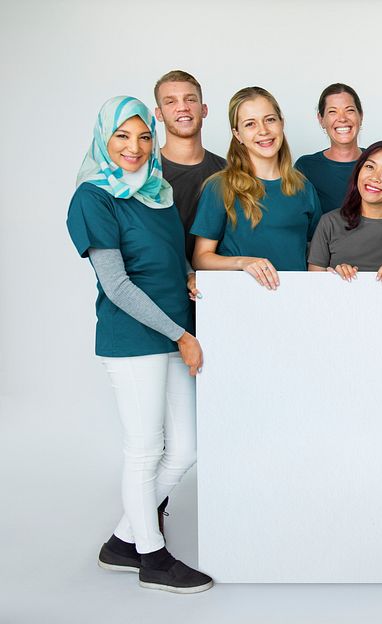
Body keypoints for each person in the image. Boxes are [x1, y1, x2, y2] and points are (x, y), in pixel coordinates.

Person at [66, 96, 213, 593]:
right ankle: (151, 556)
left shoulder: (158, 191)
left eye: (144, 136)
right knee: (145, 450)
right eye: (122, 137)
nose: (134, 147)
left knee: (187, 446)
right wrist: (182, 335)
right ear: (104, 140)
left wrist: (192, 277)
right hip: (134, 340)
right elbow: (117, 284)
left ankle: (123, 539)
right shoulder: (93, 197)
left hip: (174, 333)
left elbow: (172, 259)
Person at [191, 86, 322, 289]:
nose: (263, 130)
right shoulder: (220, 186)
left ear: (281, 123)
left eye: (270, 119)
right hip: (239, 302)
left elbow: (317, 254)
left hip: (295, 303)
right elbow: (201, 258)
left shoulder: (304, 188)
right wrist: (243, 262)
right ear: (238, 135)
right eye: (250, 124)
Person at [308, 140, 382, 281]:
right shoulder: (329, 223)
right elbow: (314, 289)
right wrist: (336, 278)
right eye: (369, 166)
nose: (374, 177)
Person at [153, 70, 226, 261]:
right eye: (171, 101)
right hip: (160, 285)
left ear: (204, 109)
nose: (182, 107)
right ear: (159, 114)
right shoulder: (146, 172)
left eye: (190, 99)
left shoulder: (228, 172)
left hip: (216, 286)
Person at [295, 83, 365, 214]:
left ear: (360, 116)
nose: (342, 119)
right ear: (321, 119)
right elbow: (299, 220)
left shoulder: (377, 161)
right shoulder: (306, 167)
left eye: (349, 110)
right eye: (332, 112)